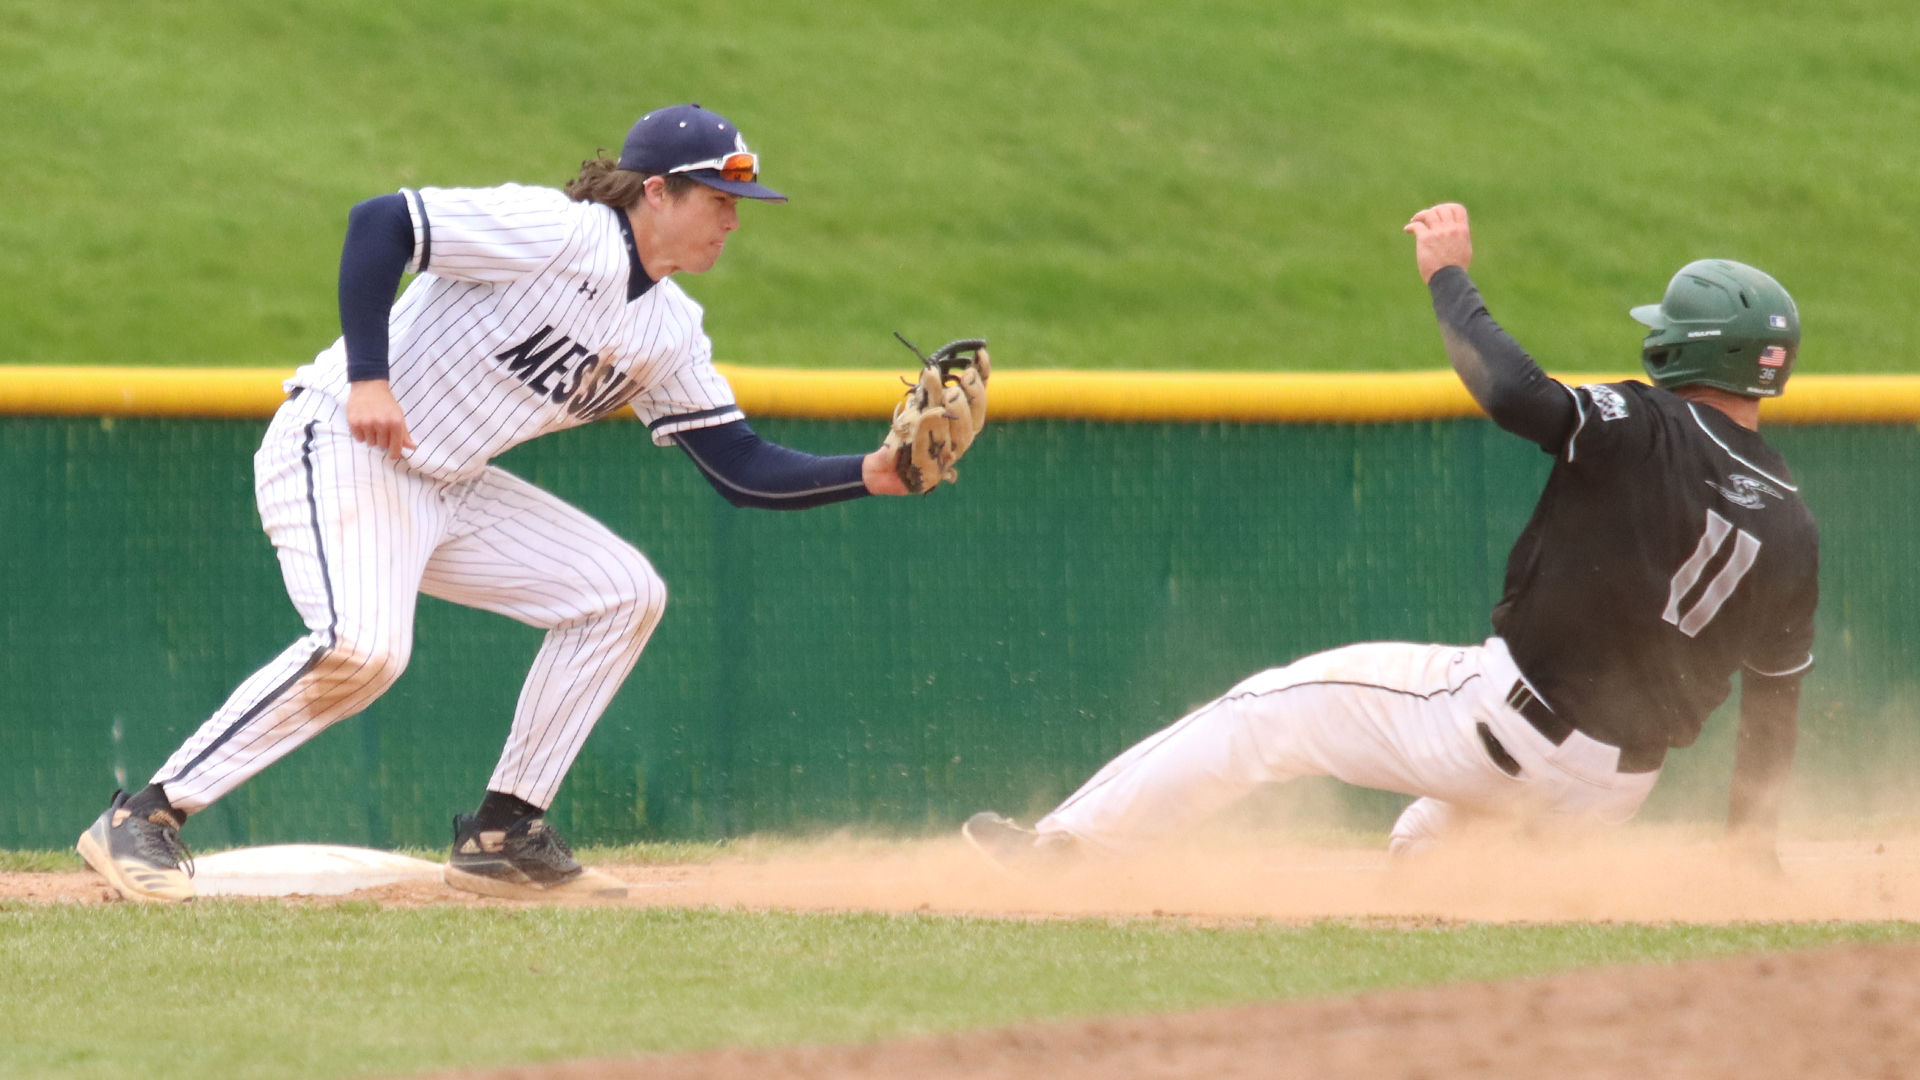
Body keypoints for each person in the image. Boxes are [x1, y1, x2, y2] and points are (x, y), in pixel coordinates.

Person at [78, 104, 988, 902]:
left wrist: (875, 472)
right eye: (720, 200)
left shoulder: (671, 328)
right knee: (363, 649)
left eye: (738, 206)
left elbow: (739, 467)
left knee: (622, 592)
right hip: (344, 444)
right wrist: (367, 376)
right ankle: (144, 814)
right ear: (657, 193)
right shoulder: (558, 231)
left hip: (449, 482)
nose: (732, 222)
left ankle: (502, 834)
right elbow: (379, 223)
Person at [965, 203, 1815, 870]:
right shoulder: (1791, 519)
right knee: (1428, 850)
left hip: (1503, 722)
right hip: (1613, 791)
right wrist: (1751, 853)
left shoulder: (1646, 421)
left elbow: (1518, 395)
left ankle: (1065, 856)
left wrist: (1449, 278)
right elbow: (1773, 707)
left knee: (1270, 711)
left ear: (1682, 348)